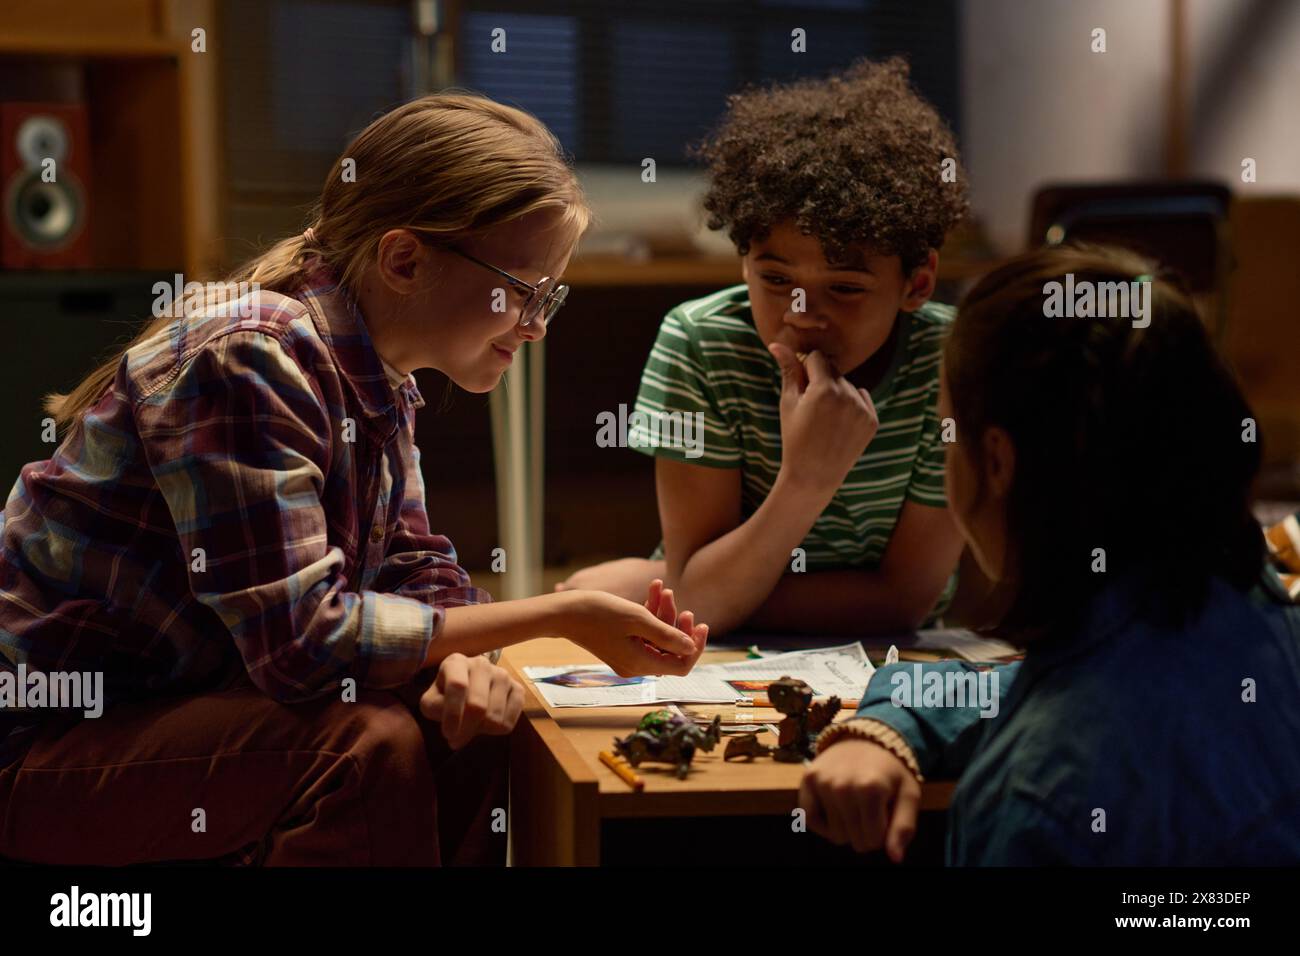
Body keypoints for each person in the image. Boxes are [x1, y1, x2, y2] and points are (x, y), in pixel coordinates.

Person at [0, 93, 707, 866]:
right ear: (405, 260)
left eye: (550, 298)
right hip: (46, 748)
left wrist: (462, 662)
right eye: (525, 292)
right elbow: (302, 642)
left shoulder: (374, 375)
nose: (536, 325)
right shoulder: (248, 357)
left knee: (466, 714)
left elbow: (415, 564)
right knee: (360, 746)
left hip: (177, 709)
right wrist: (557, 614)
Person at [801, 244, 1300, 865]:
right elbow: (1058, 683)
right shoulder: (1258, 609)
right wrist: (889, 719)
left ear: (998, 462)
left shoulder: (1039, 801)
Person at [558, 58, 969, 637]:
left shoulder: (951, 360)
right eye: (775, 281)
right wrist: (806, 481)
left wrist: (657, 587)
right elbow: (703, 603)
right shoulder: (699, 345)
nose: (801, 315)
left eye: (846, 288)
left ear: (917, 283)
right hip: (712, 654)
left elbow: (903, 603)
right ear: (743, 261)